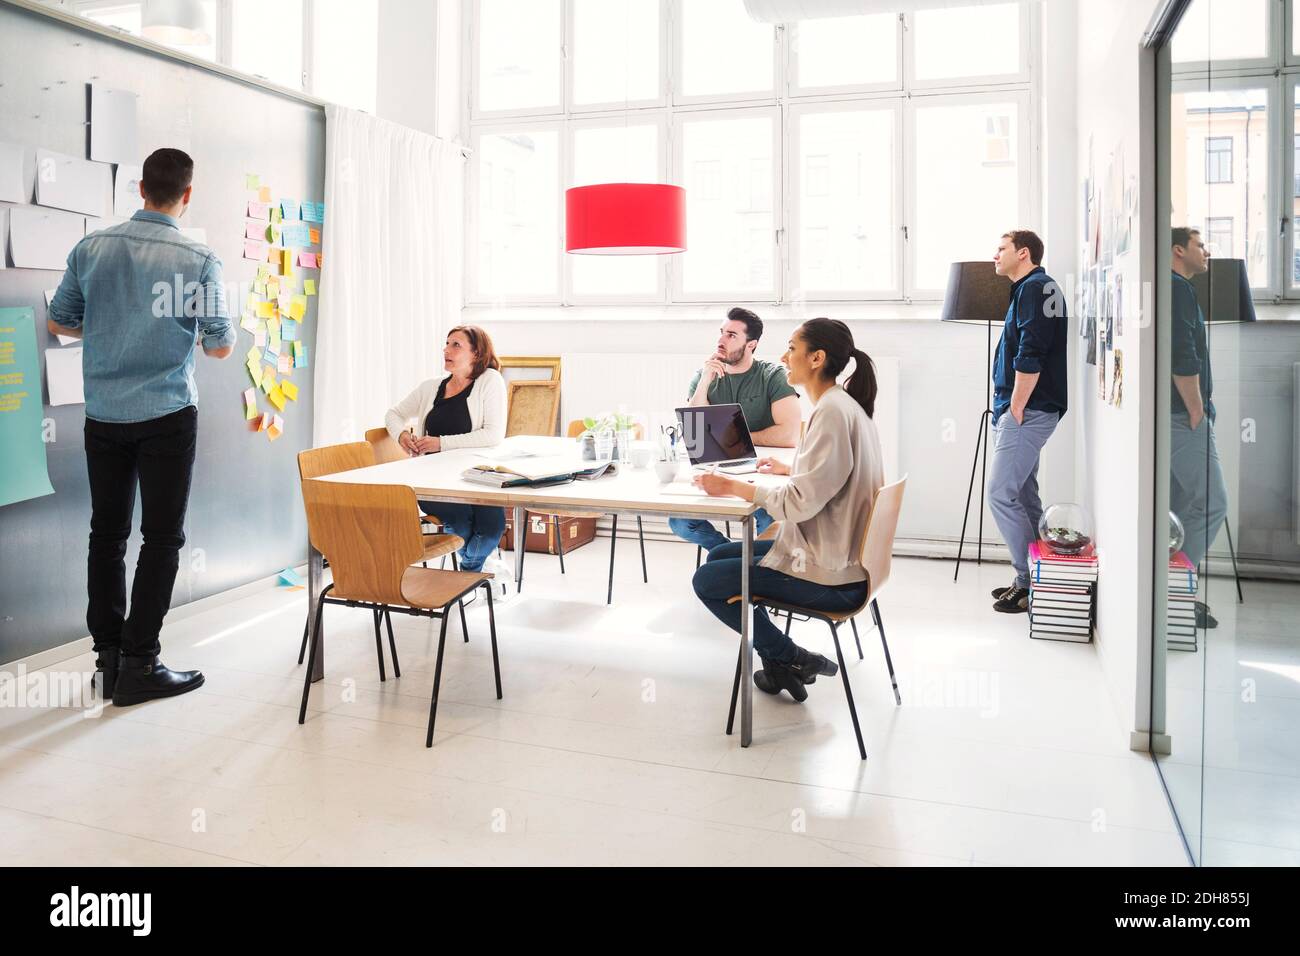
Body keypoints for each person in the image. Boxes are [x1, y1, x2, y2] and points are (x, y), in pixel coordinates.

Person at [47, 147, 234, 706]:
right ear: (188, 193)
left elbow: (60, 319)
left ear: (140, 188)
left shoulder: (91, 247)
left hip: (102, 413)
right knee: (162, 538)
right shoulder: (198, 258)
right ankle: (140, 664)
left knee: (106, 535)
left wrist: (111, 333)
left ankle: (106, 660)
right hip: (167, 415)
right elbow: (221, 345)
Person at [691, 318, 884, 701]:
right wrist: (793, 467)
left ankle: (788, 656)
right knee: (724, 553)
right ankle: (782, 663)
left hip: (830, 573)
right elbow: (834, 475)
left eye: (792, 348)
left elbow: (796, 505)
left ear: (816, 358)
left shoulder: (830, 413)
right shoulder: (842, 405)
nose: (784, 357)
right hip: (837, 551)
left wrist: (732, 486)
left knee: (707, 581)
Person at [385, 325, 512, 600]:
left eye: (456, 345)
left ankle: (467, 573)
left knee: (492, 527)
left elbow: (493, 435)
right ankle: (474, 577)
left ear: (476, 353)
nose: (446, 350)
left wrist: (439, 442)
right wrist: (402, 436)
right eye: (446, 344)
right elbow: (393, 414)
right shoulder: (430, 388)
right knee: (462, 524)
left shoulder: (490, 381)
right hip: (432, 478)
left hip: (477, 475)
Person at [670, 307, 801, 552]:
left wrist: (733, 437)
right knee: (680, 521)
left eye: (731, 335)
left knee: (768, 516)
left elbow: (790, 436)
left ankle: (758, 564)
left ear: (751, 345)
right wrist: (706, 379)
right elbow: (695, 430)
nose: (721, 340)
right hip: (717, 467)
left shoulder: (773, 376)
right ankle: (728, 553)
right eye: (721, 332)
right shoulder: (704, 375)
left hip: (763, 469)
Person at [987, 230, 1069, 614]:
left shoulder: (1035, 288)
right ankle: (1043, 572)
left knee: (1001, 492)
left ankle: (1027, 581)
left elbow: (1031, 350)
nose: (995, 255)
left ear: (1023, 253)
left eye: (1001, 248)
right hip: (1028, 407)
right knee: (1023, 494)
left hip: (1028, 409)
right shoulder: (1034, 288)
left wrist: (1015, 408)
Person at [1170, 227, 1226, 629]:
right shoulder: (1178, 289)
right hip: (1182, 416)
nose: (1206, 251)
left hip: (1183, 414)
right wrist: (1196, 411)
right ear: (1178, 250)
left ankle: (1172, 590)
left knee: (1181, 507)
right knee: (1211, 503)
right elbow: (1181, 353)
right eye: (1199, 245)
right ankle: (1175, 591)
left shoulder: (1177, 287)